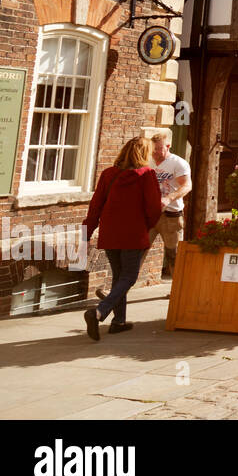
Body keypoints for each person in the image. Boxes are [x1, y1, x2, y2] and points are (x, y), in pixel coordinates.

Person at [82, 136, 163, 340]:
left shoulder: (108, 174)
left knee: (119, 277)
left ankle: (119, 322)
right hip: (133, 234)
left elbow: (95, 206)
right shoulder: (146, 174)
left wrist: (87, 232)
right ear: (144, 154)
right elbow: (153, 209)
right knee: (129, 277)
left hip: (110, 233)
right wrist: (147, 226)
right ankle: (99, 311)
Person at [147, 131, 191, 278]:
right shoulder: (148, 162)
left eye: (158, 149)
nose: (154, 152)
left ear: (168, 146)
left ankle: (176, 292)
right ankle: (120, 291)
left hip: (171, 217)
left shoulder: (178, 163)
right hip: (151, 215)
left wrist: (169, 198)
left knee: (174, 255)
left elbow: (187, 186)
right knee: (136, 251)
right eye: (153, 149)